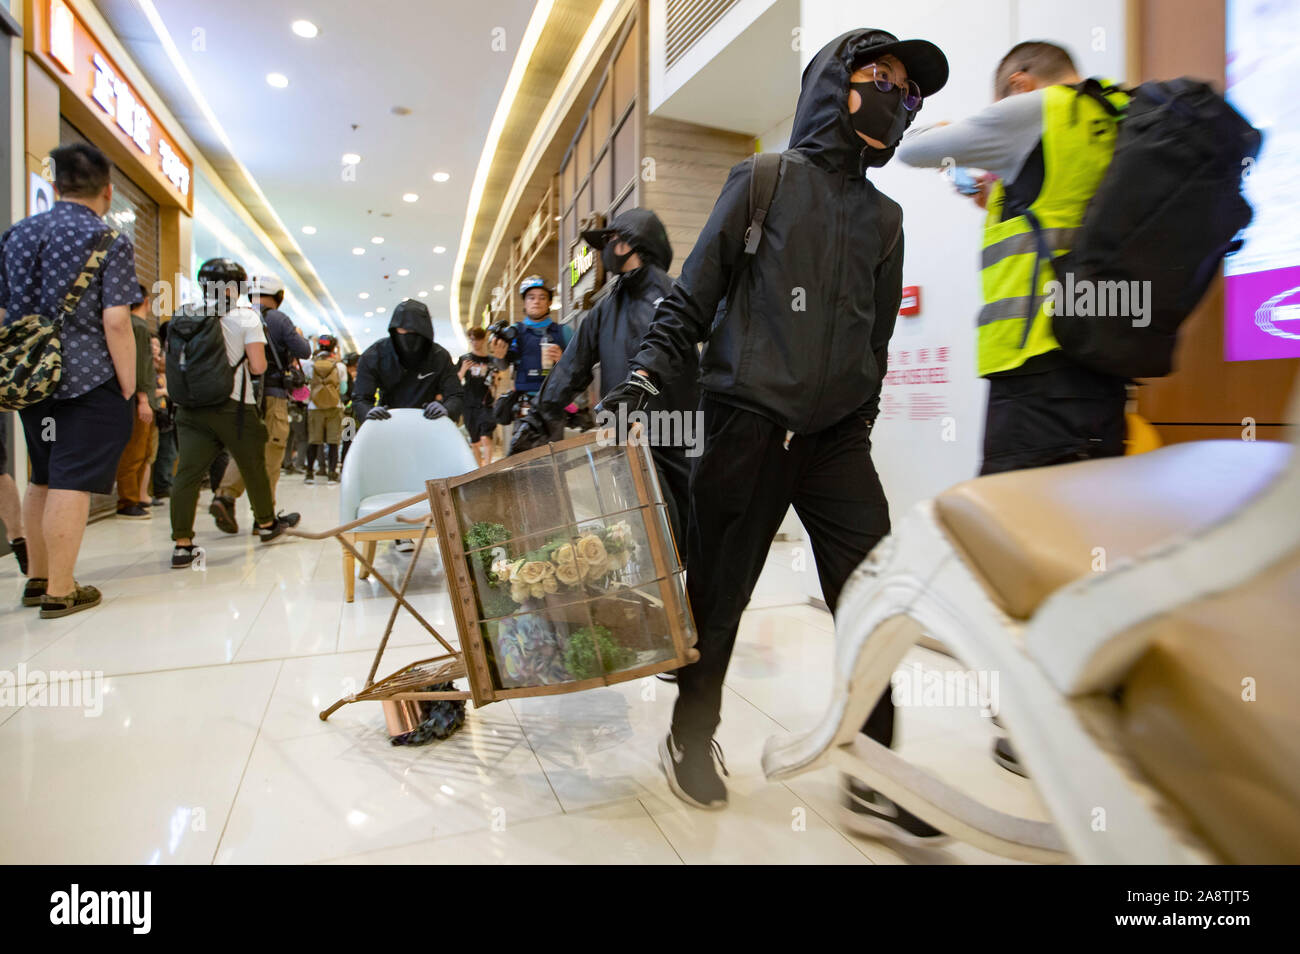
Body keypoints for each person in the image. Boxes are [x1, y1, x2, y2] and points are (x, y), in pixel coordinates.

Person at [600, 29, 949, 844]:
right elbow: (691, 299)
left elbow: (876, 338)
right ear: (837, 83)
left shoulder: (885, 218)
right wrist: (645, 379)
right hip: (746, 424)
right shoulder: (761, 183)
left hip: (835, 445)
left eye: (911, 90)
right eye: (883, 77)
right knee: (719, 597)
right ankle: (689, 734)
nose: (899, 96)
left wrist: (859, 413)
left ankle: (875, 767)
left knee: (873, 601)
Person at [896, 41, 1129, 777]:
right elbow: (1068, 224)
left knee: (1019, 557)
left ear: (1020, 82)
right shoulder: (1115, 120)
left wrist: (978, 129)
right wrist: (1001, 192)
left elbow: (915, 150)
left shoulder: (1038, 108)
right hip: (1101, 379)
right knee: (1089, 555)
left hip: (1035, 375)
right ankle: (1093, 714)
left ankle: (1034, 729)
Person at [0, 143, 139, 617]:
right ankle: (61, 590)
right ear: (107, 190)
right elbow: (117, 320)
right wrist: (128, 384)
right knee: (72, 482)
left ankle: (38, 580)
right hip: (87, 378)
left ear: (55, 186)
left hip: (32, 379)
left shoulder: (16, 234)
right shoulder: (108, 238)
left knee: (42, 476)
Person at [539, 207, 698, 551]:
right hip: (626, 433)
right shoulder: (606, 307)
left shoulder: (675, 296)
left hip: (677, 431)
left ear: (629, 243)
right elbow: (572, 365)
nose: (604, 249)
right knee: (642, 533)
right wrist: (541, 415)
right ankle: (663, 601)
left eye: (610, 239)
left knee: (685, 530)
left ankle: (692, 601)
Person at [166, 258, 298, 569]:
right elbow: (258, 366)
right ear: (239, 288)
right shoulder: (246, 317)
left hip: (189, 408)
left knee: (186, 473)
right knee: (253, 466)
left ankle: (182, 544)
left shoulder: (183, 313)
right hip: (234, 407)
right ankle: (266, 524)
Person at [209, 274, 310, 531]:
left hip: (241, 395)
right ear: (278, 296)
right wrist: (296, 335)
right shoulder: (277, 318)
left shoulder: (236, 316)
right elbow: (304, 350)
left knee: (245, 448)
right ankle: (264, 516)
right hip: (272, 395)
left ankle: (224, 496)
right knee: (272, 453)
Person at [353, 299, 464, 425]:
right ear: (394, 330)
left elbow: (455, 394)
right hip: (388, 422)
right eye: (402, 331)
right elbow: (361, 397)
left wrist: (447, 409)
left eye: (414, 333)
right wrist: (369, 412)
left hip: (428, 423)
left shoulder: (439, 356)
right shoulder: (374, 356)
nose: (408, 337)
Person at [490, 276, 572, 409]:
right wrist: (499, 357)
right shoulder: (514, 331)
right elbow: (503, 366)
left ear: (550, 302)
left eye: (542, 297)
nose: (536, 302)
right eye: (531, 297)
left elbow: (578, 368)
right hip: (524, 402)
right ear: (524, 302)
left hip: (555, 402)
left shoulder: (564, 332)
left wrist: (563, 360)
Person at [113, 284, 157, 519]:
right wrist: (143, 398)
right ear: (146, 301)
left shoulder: (136, 325)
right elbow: (139, 365)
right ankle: (128, 500)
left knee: (143, 450)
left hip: (141, 397)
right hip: (140, 399)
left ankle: (136, 498)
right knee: (135, 450)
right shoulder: (137, 326)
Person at [304, 333, 345, 485]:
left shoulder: (310, 365)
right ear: (333, 347)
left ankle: (309, 474)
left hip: (314, 406)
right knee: (333, 442)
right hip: (335, 406)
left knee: (314, 441)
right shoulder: (339, 366)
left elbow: (306, 383)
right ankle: (332, 474)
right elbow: (344, 388)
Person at [458, 328, 497, 466]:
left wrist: (495, 377)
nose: (475, 342)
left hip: (486, 402)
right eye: (472, 339)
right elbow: (455, 381)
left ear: (483, 339)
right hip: (468, 403)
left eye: (478, 339)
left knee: (486, 437)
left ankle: (488, 467)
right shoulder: (464, 359)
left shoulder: (491, 360)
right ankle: (478, 469)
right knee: (475, 441)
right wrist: (463, 369)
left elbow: (496, 380)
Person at [150, 329, 177, 502]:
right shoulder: (146, 367)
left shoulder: (162, 366)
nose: (155, 348)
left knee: (168, 452)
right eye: (151, 345)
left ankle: (165, 484)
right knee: (153, 454)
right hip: (154, 413)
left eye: (157, 345)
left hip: (166, 415)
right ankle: (161, 486)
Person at [340, 352, 360, 464]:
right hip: (351, 415)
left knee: (347, 441)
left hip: (349, 415)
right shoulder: (348, 377)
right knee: (349, 440)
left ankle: (344, 465)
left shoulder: (347, 375)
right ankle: (346, 465)